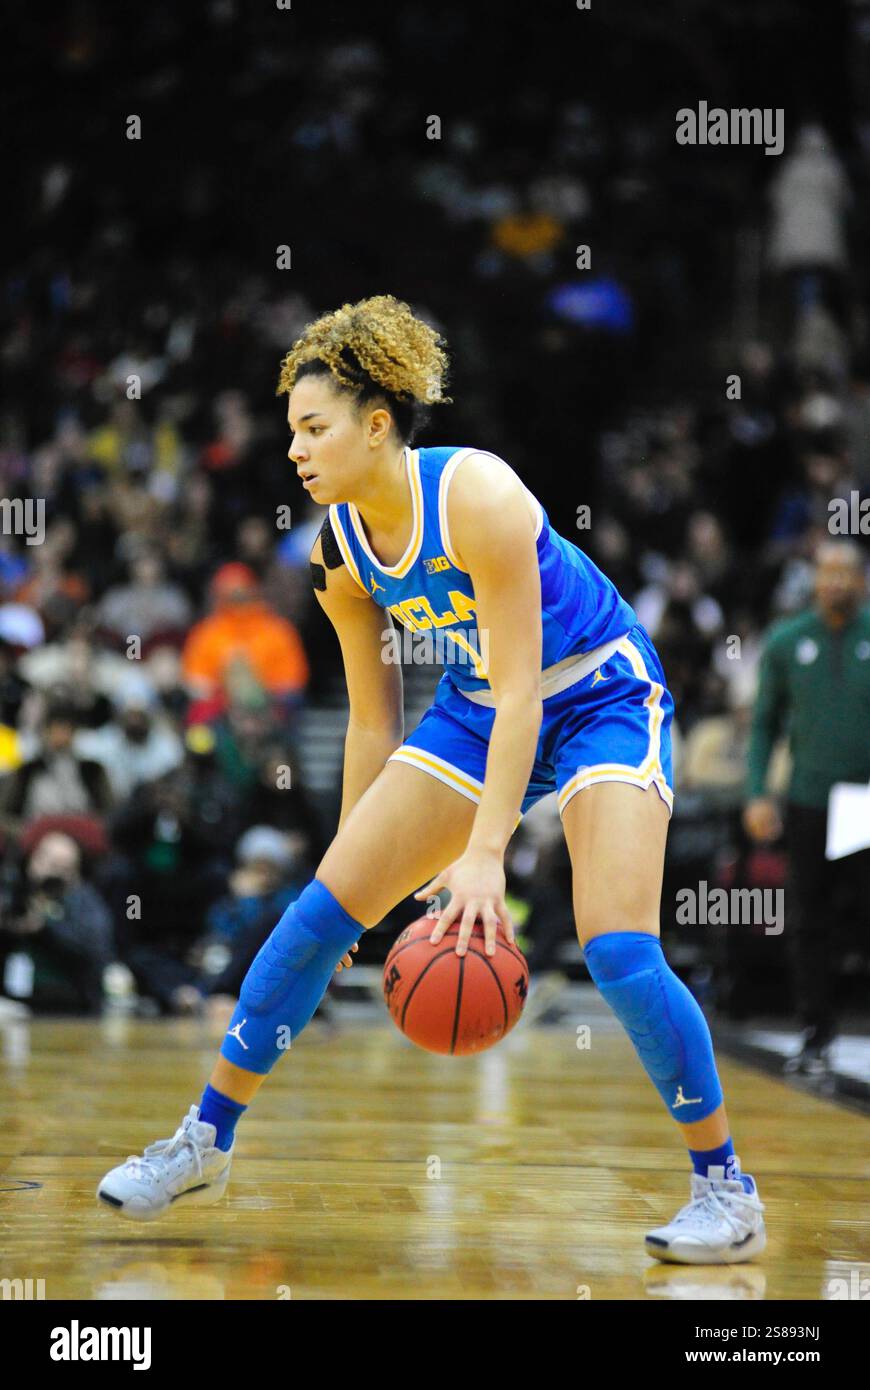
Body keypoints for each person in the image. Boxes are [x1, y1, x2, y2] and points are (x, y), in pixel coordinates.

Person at [97, 294, 765, 1263]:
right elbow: (372, 718)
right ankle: (202, 1141)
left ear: (377, 426)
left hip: (598, 695)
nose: (295, 449)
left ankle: (726, 1189)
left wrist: (487, 853)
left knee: (618, 947)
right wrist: (352, 880)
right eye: (292, 431)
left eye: (314, 428)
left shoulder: (477, 495)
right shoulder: (337, 552)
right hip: (478, 704)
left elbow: (529, 692)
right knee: (316, 911)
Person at [743, 539, 870, 1076]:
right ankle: (816, 1035)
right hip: (809, 798)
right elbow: (764, 725)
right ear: (815, 580)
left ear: (862, 581)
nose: (836, 581)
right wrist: (756, 792)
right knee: (810, 922)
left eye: (846, 572)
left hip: (865, 799)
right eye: (827, 572)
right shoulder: (787, 640)